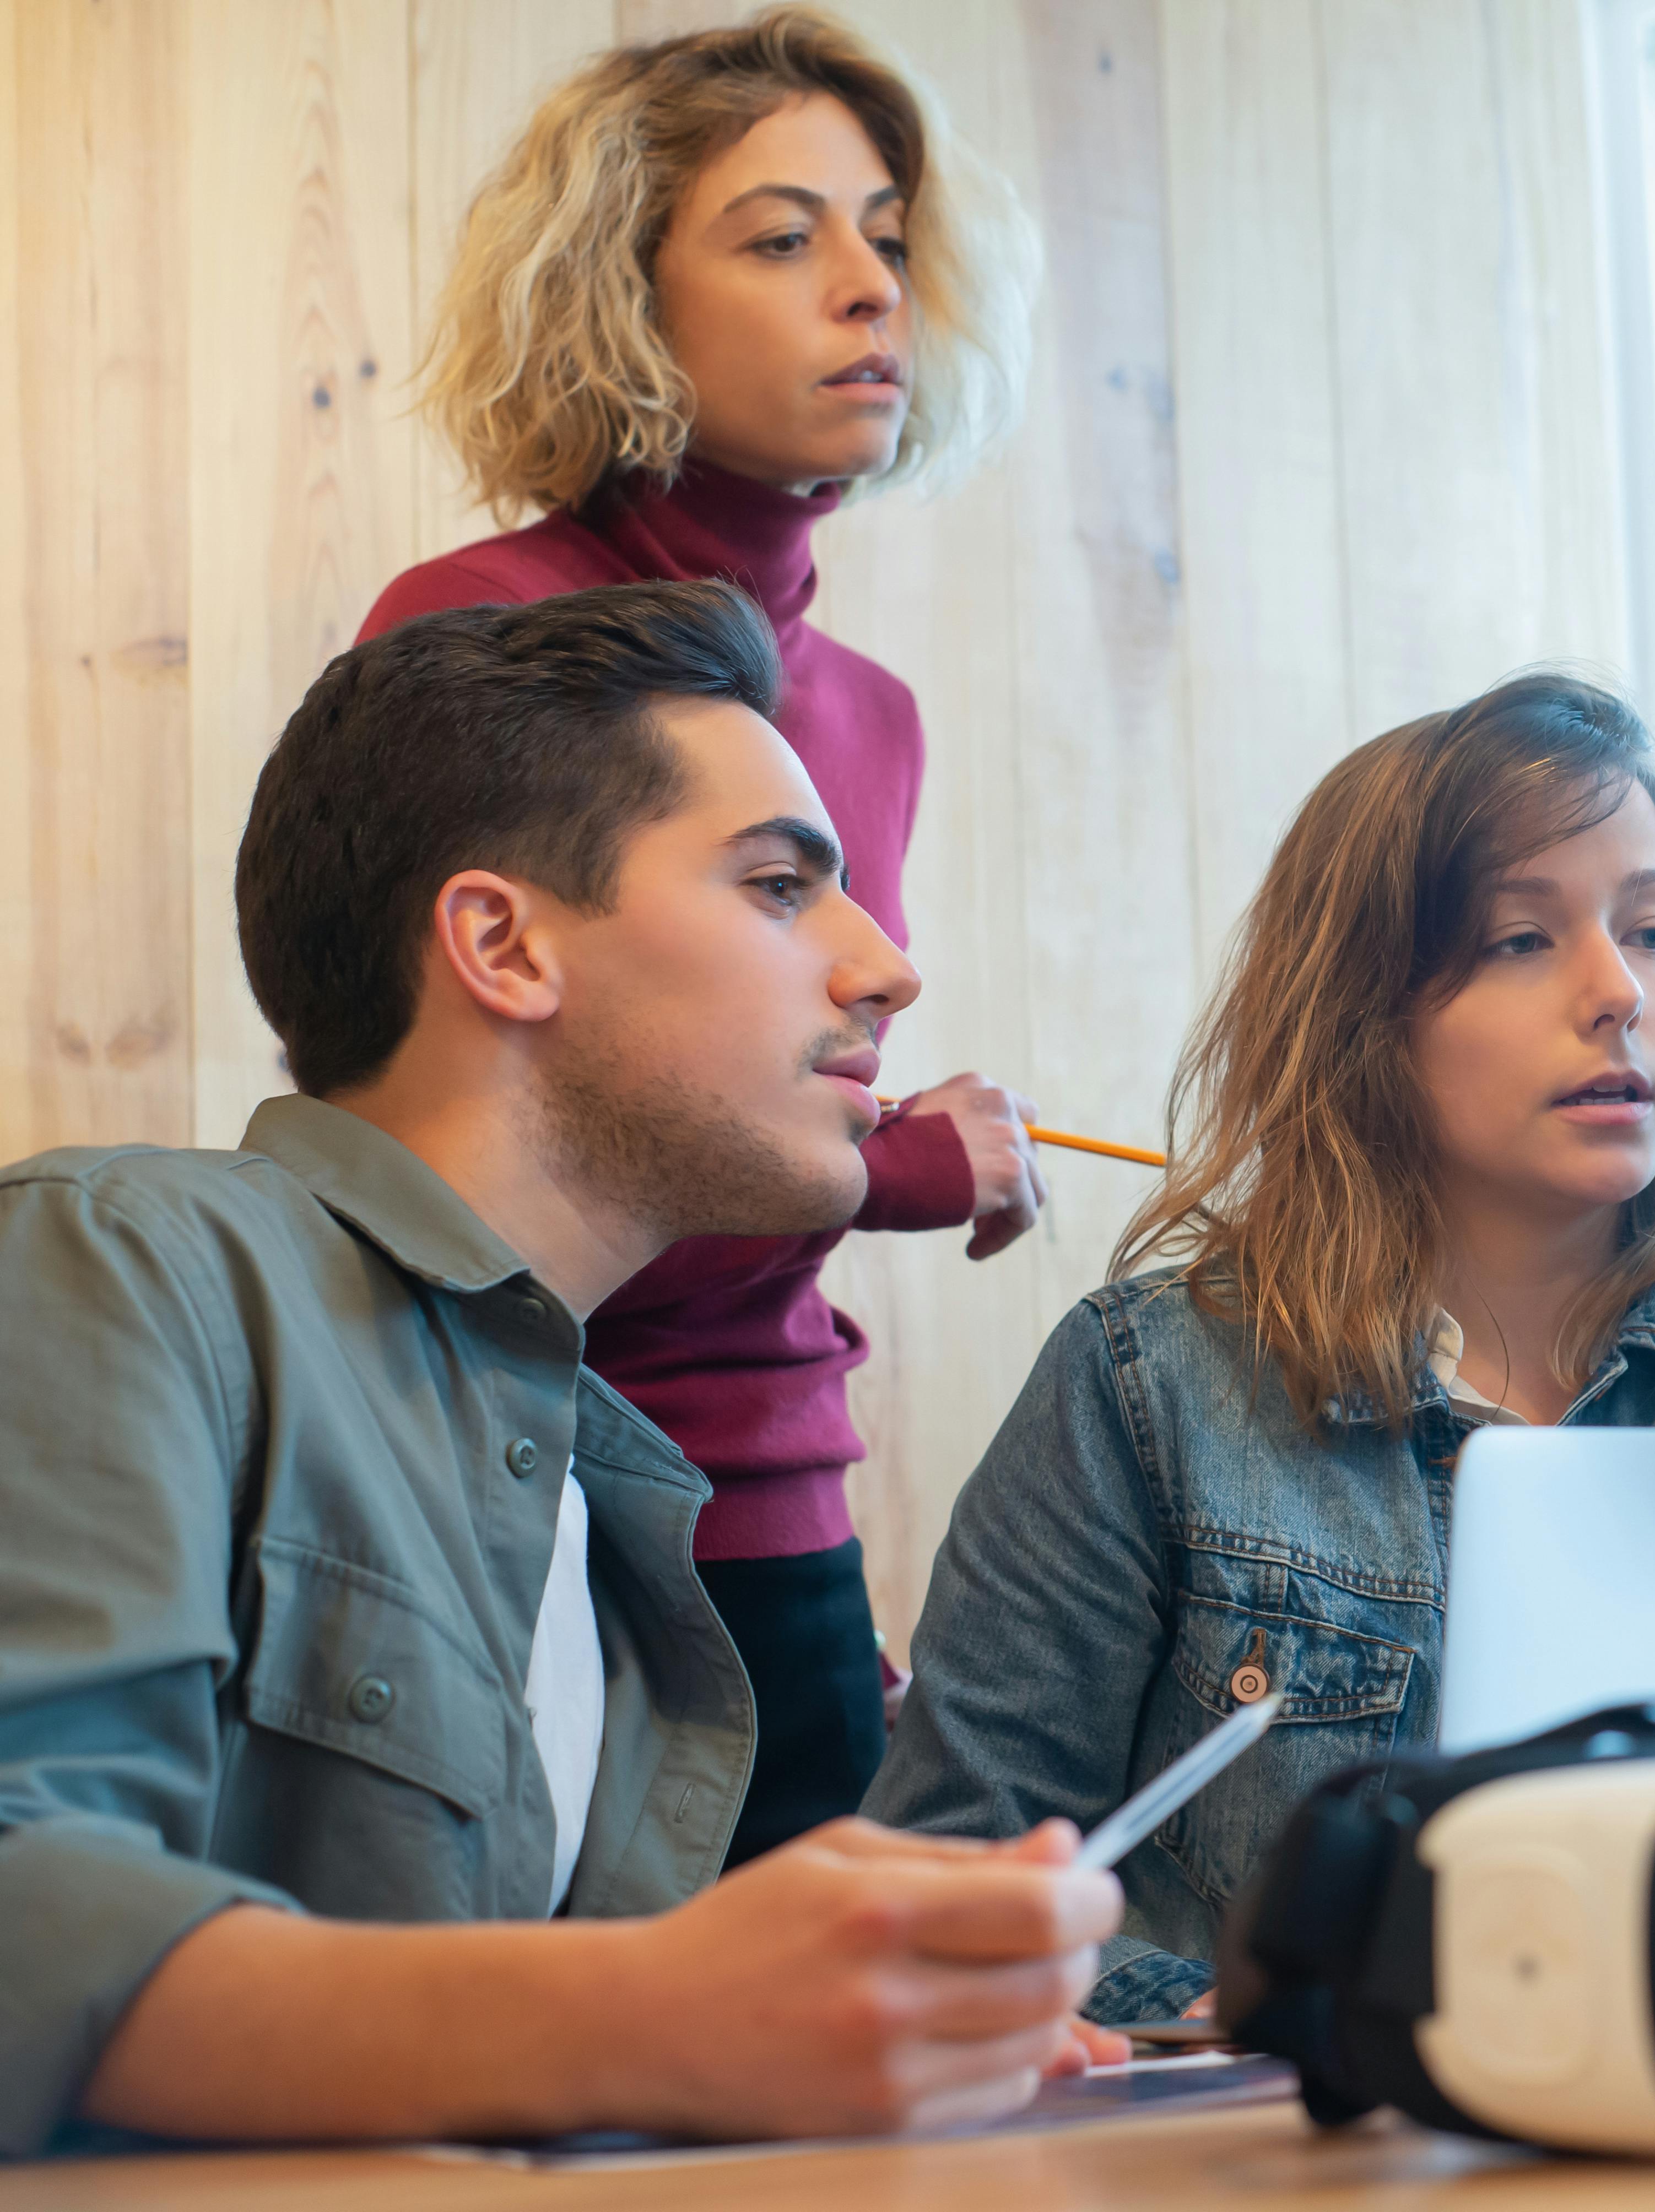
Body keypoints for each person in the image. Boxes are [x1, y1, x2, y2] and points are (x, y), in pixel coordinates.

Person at [0, 583, 1126, 2157]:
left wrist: (871, 2045)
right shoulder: (124, 1259)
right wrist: (657, 2014)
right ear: (503, 944)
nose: (887, 969)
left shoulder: (615, 1491)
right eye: (782, 886)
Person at [862, 673, 1655, 2019]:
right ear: (1364, 1019)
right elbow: (950, 1886)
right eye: (1519, 941)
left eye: (1651, 931)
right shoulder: (1147, 1384)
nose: (1616, 993)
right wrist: (1253, 2020)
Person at [361, 7, 1051, 1862]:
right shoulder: (473, 634)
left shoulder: (879, 714)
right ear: (620, 296)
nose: (866, 289)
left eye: (886, 236)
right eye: (781, 235)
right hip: (518, 1511)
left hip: (787, 1517)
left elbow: (745, 1125)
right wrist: (894, 1168)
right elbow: (430, 1172)